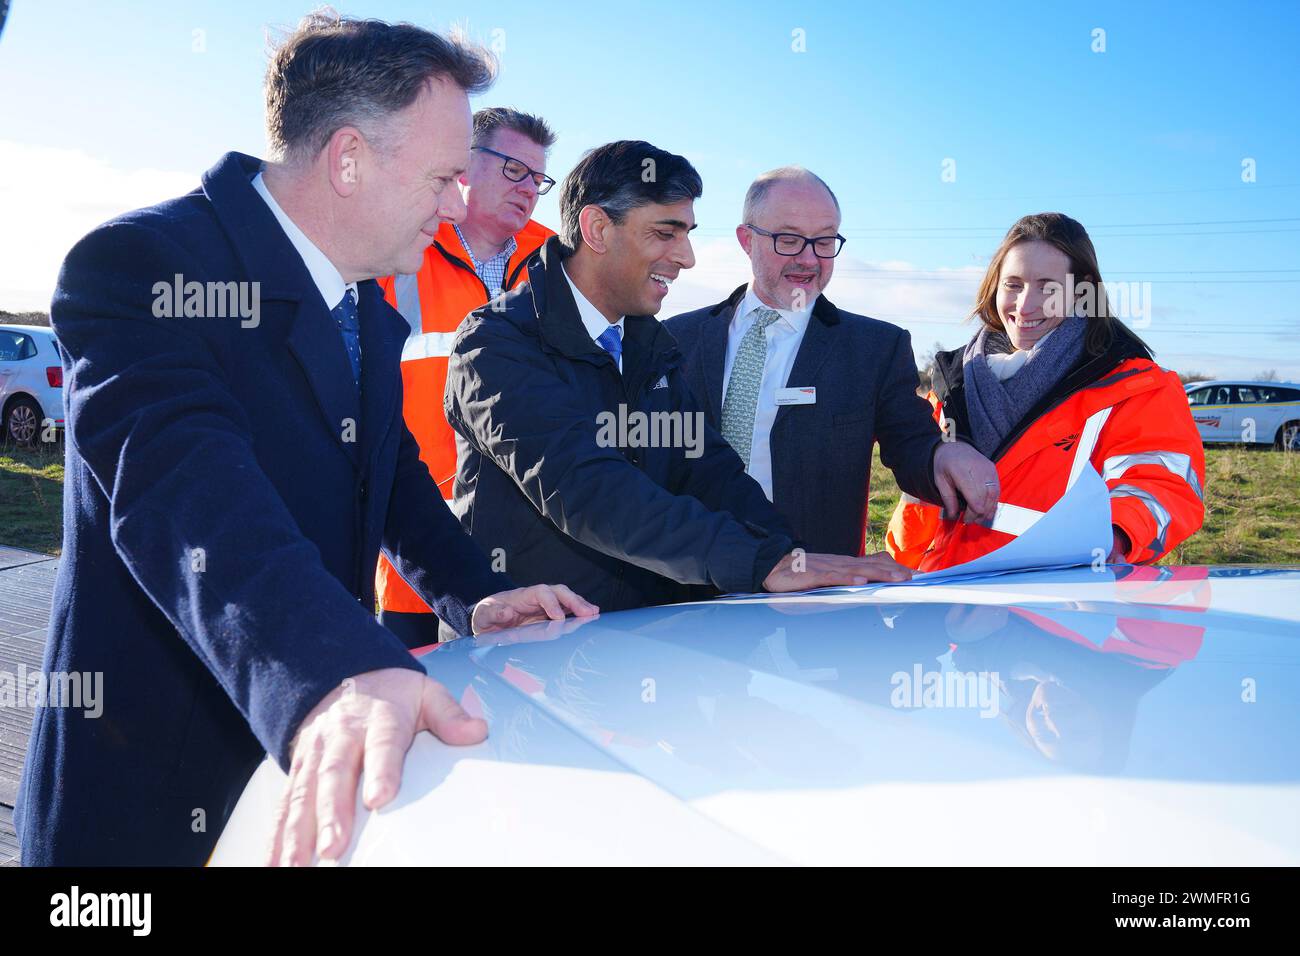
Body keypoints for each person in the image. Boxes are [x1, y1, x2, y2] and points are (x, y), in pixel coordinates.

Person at [15, 13, 595, 868]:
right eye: (442, 177)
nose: (453, 204)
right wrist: (332, 666)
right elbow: (186, 486)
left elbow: (391, 478)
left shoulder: (364, 299)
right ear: (348, 158)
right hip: (149, 778)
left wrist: (476, 595)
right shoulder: (143, 264)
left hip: (307, 769)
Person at [444, 141, 915, 613]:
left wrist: (791, 559)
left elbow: (708, 472)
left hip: (644, 640)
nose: (687, 257)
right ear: (597, 229)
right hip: (531, 643)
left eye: (687, 234)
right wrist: (760, 562)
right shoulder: (496, 345)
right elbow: (586, 488)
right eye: (665, 233)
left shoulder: (651, 349)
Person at [665, 167, 999, 556]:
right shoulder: (673, 340)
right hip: (684, 579)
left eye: (824, 241)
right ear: (746, 240)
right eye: (789, 240)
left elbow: (912, 441)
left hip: (816, 582)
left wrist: (942, 455)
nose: (809, 259)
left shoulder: (875, 348)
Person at [886, 212, 1205, 570]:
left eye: (1048, 288)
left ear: (1082, 291)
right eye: (1014, 284)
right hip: (941, 589)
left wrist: (1115, 537)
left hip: (1057, 592)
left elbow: (1161, 484)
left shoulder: (1135, 387)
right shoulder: (951, 383)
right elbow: (918, 502)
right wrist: (902, 568)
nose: (1025, 306)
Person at [375, 106, 558, 648]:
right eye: (513, 169)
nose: (528, 188)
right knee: (420, 691)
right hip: (418, 552)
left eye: (538, 178)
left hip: (533, 553)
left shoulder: (558, 263)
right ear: (463, 164)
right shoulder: (398, 252)